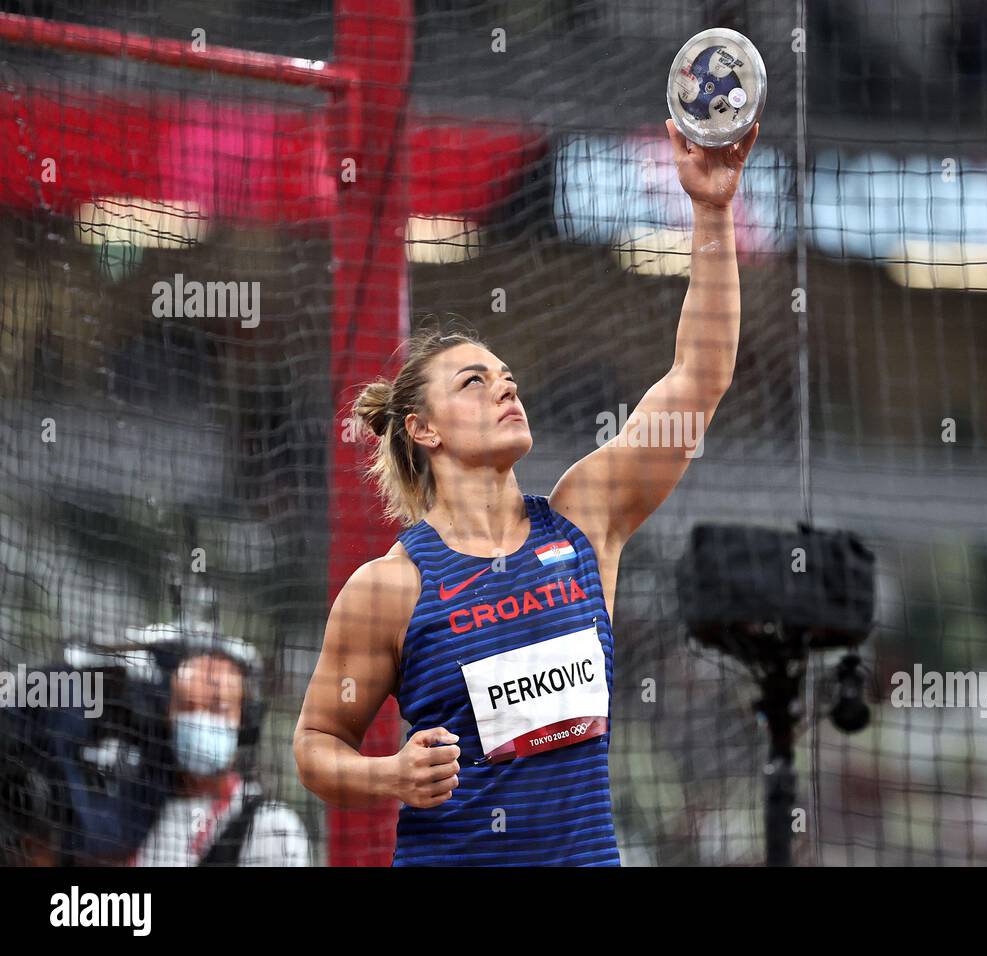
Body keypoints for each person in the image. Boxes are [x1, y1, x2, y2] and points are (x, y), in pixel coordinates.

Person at [294, 119, 760, 865]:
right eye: (474, 382)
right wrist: (390, 775)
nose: (504, 387)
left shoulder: (584, 520)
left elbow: (698, 380)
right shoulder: (389, 588)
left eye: (506, 376)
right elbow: (316, 746)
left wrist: (709, 211)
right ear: (423, 429)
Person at [134, 651, 311, 866]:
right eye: (187, 706)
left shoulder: (271, 826)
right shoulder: (139, 812)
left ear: (244, 722)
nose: (199, 719)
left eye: (217, 708)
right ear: (168, 716)